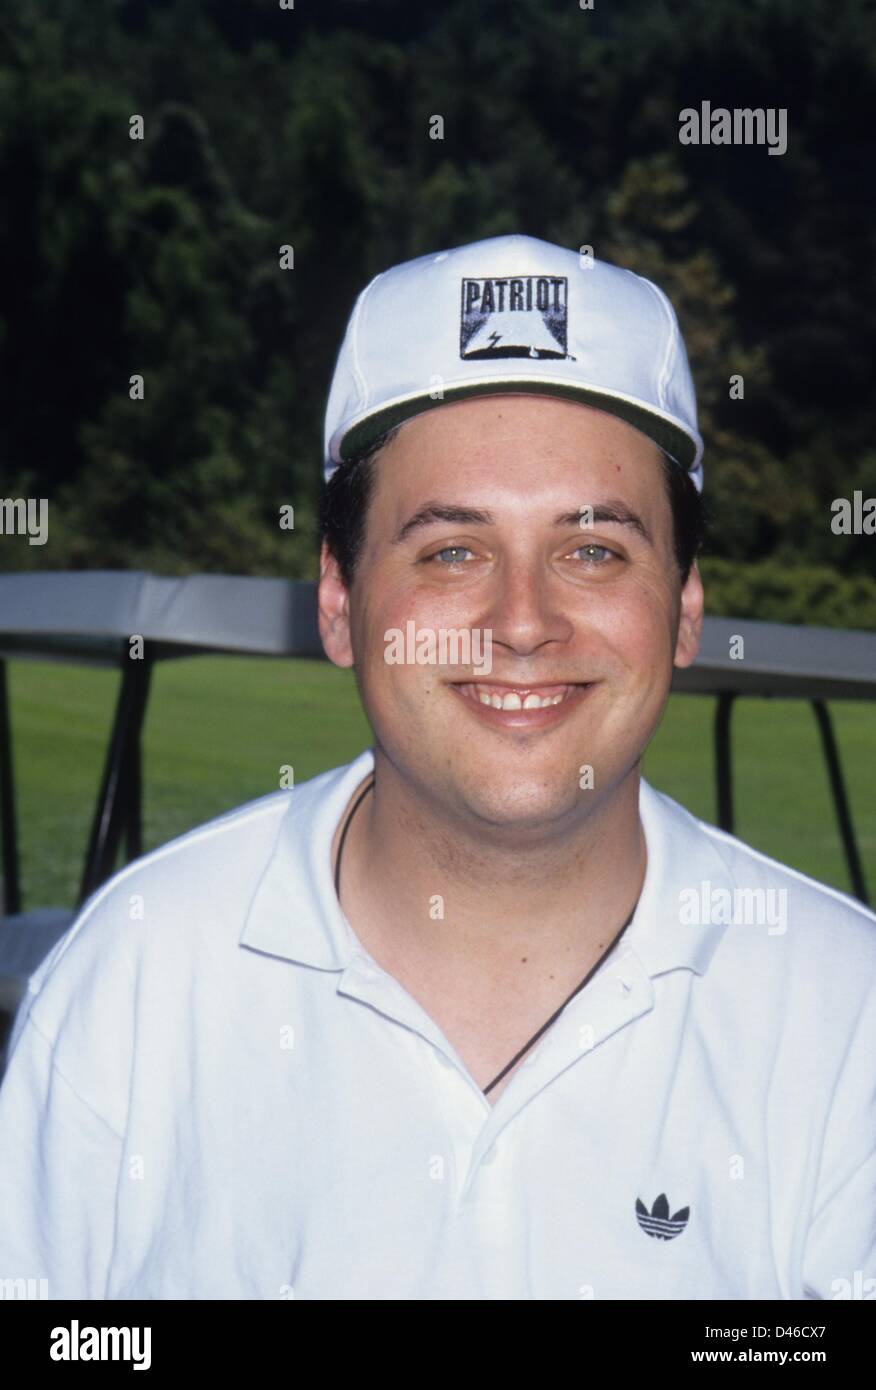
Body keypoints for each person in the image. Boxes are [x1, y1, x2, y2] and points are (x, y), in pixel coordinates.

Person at [0, 234, 873, 1300]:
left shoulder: (847, 1022)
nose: (521, 621)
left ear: (684, 606)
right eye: (451, 549)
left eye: (593, 548)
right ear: (336, 599)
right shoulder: (129, 986)